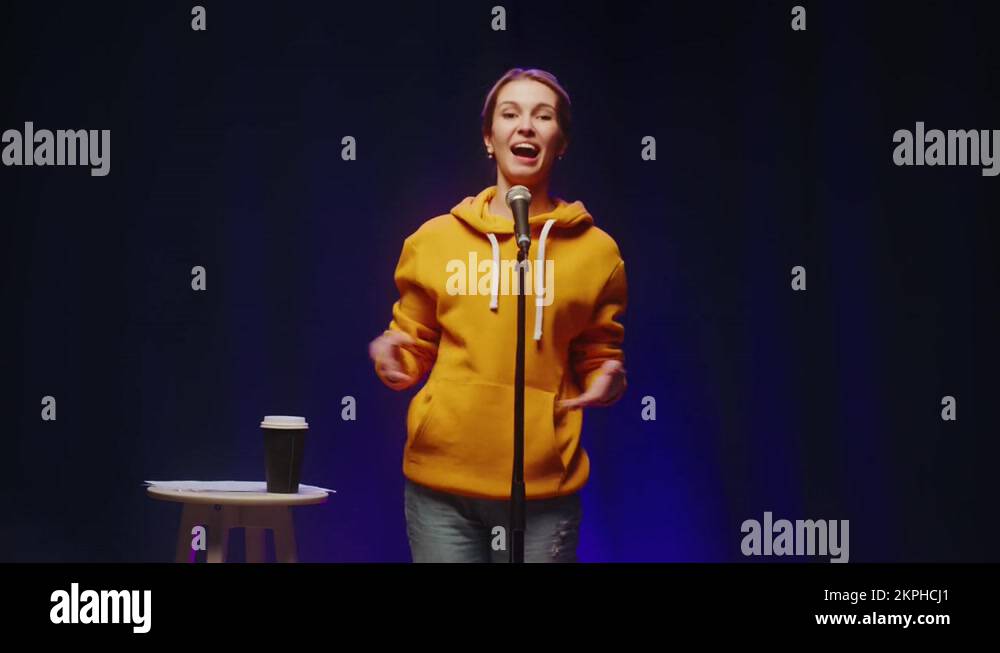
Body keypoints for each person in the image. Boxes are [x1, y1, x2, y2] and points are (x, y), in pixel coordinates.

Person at [369, 67, 627, 562]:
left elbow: (601, 356)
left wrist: (609, 378)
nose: (525, 126)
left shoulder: (599, 254)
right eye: (510, 115)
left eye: (542, 115)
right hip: (441, 490)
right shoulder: (435, 240)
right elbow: (411, 344)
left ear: (561, 141)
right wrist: (393, 356)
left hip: (544, 493)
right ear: (490, 138)